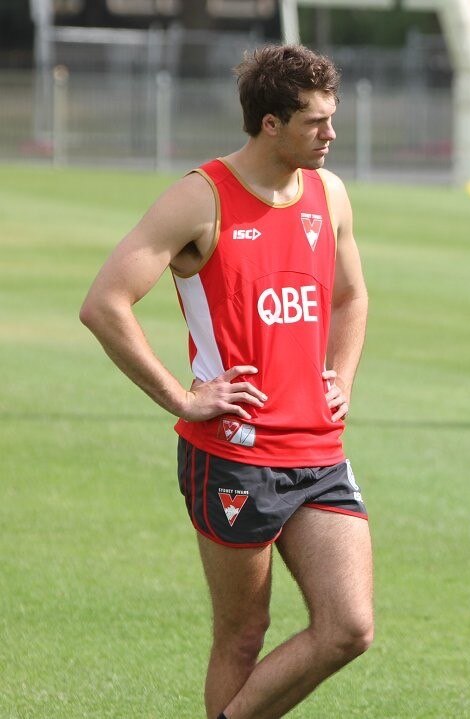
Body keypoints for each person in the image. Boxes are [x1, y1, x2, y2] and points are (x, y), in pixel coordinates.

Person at [79, 44, 371, 719]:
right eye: (315, 122)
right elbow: (104, 304)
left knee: (349, 626)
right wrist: (182, 398)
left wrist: (341, 376)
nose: (331, 135)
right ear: (269, 124)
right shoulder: (200, 197)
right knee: (242, 635)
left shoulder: (329, 194)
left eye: (332, 118)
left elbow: (352, 298)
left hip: (319, 448)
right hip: (233, 455)